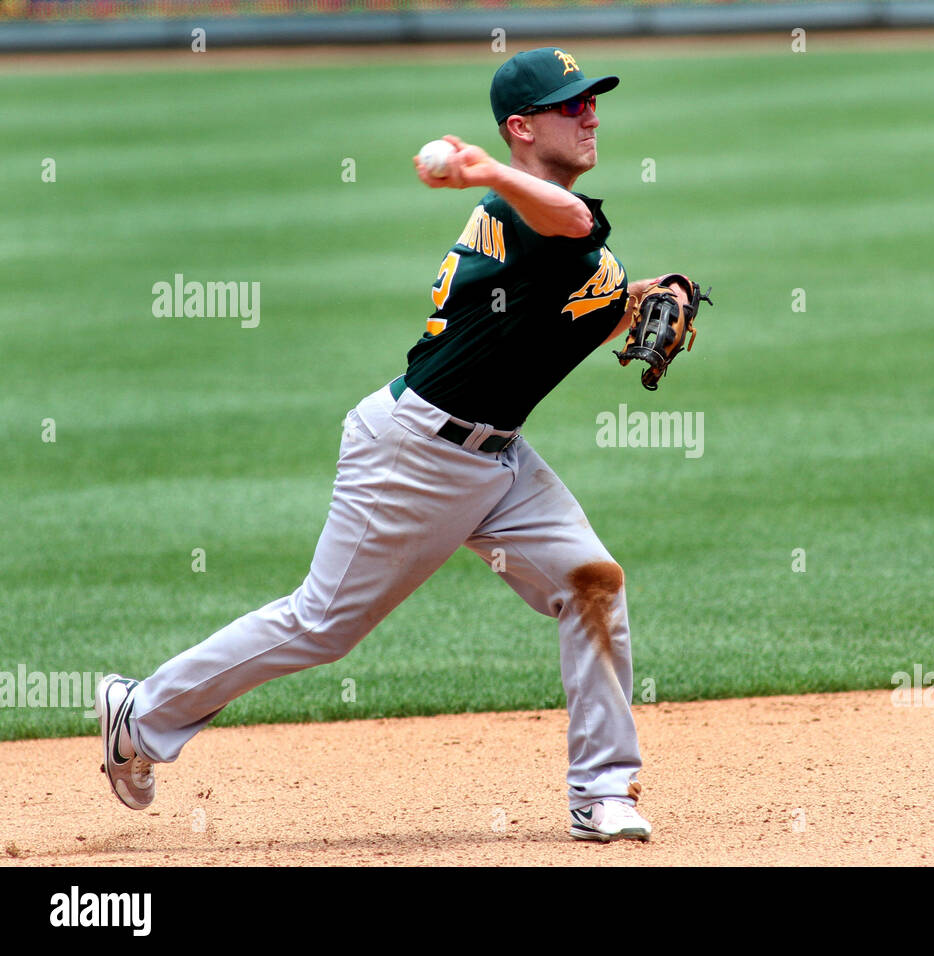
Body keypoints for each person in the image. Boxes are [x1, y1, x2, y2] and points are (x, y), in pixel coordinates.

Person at [96, 46, 693, 844]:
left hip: (499, 460)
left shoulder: (547, 224)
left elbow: (580, 300)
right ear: (521, 128)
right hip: (413, 455)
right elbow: (570, 224)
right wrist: (487, 170)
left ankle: (601, 792)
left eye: (591, 101)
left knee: (592, 581)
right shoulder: (526, 208)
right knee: (322, 625)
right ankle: (139, 713)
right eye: (568, 105)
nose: (589, 113)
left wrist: (661, 292)